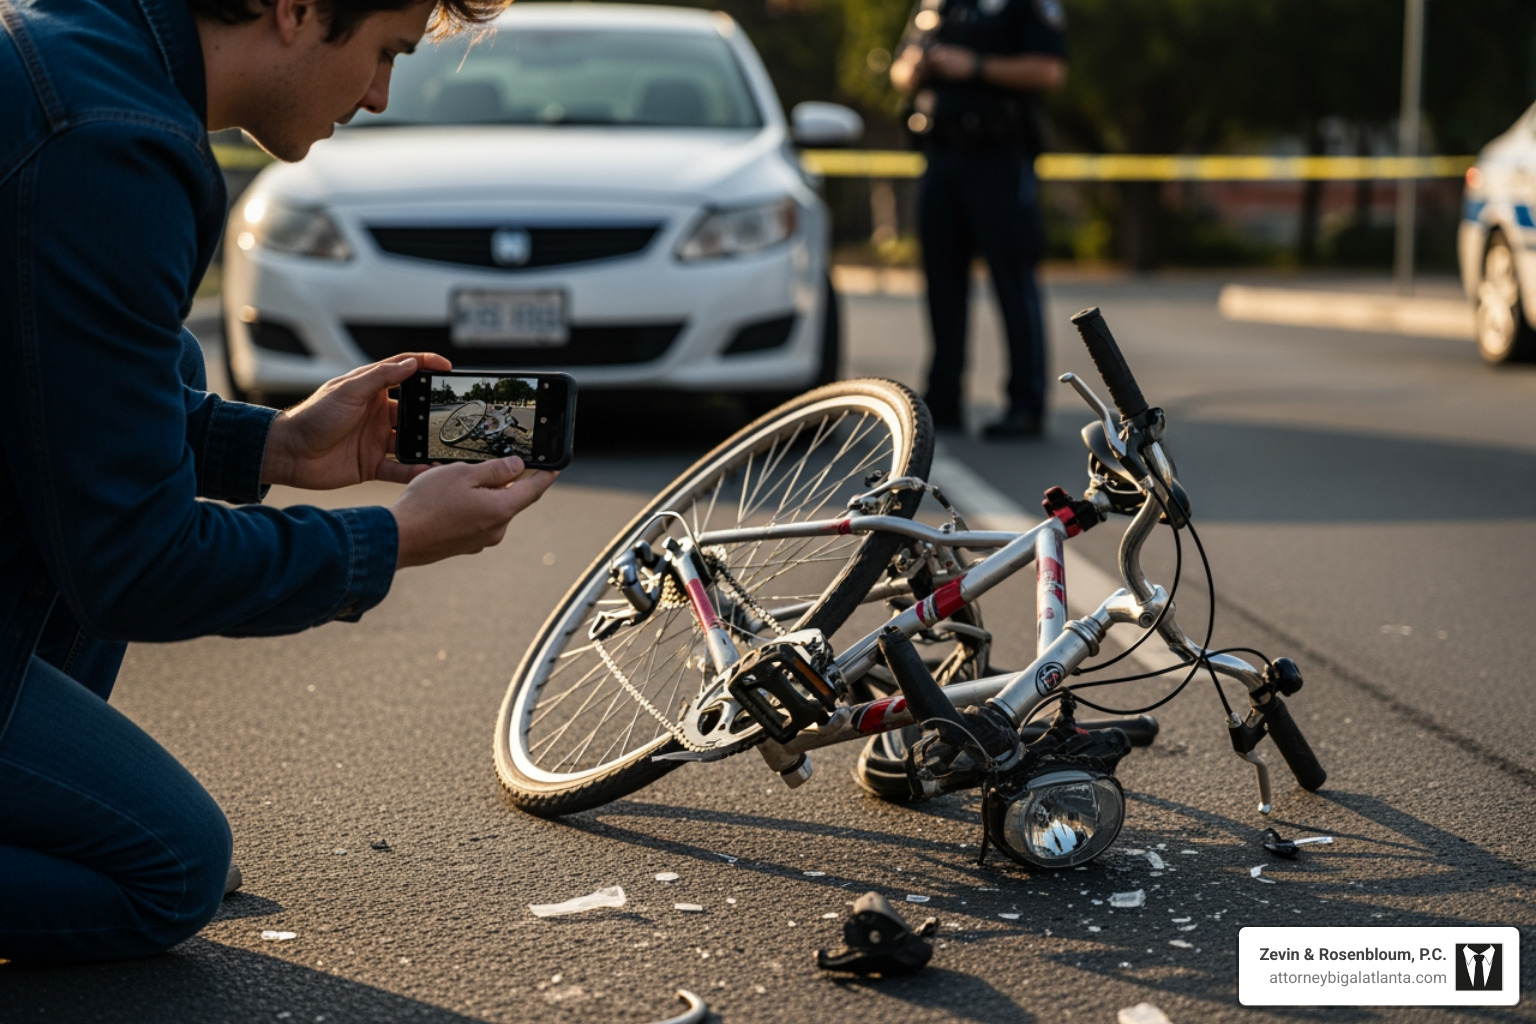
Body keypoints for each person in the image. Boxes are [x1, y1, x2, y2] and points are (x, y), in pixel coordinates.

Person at [0, 0, 548, 962]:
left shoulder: (77, 49)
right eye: (385, 52)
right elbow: (134, 563)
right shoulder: (112, 145)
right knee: (170, 870)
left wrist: (278, 449)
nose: (380, 95)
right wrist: (393, 541)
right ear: (296, 9)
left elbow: (55, 410)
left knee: (171, 372)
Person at [891, 0, 1067, 438]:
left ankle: (1025, 404)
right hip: (940, 155)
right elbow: (898, 69)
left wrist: (976, 66)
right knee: (941, 280)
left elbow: (1049, 71)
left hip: (998, 159)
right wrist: (912, 69)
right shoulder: (938, 3)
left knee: (1013, 278)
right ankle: (943, 399)